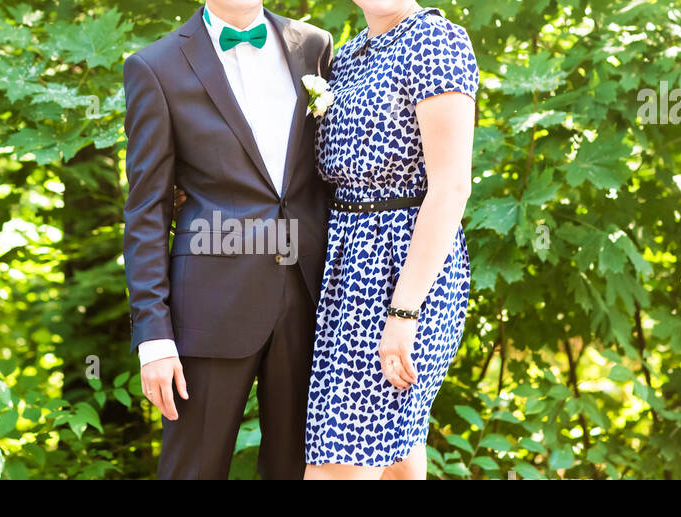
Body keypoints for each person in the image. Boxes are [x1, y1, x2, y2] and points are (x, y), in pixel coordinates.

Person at [122, 0, 334, 479]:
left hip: (313, 297)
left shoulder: (315, 47)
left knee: (299, 470)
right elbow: (147, 210)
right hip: (208, 307)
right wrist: (153, 335)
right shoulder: (154, 67)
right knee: (192, 470)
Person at [303, 1, 479, 480]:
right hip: (346, 269)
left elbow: (451, 186)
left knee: (339, 464)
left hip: (401, 269)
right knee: (397, 454)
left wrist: (404, 312)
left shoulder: (435, 41)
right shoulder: (348, 54)